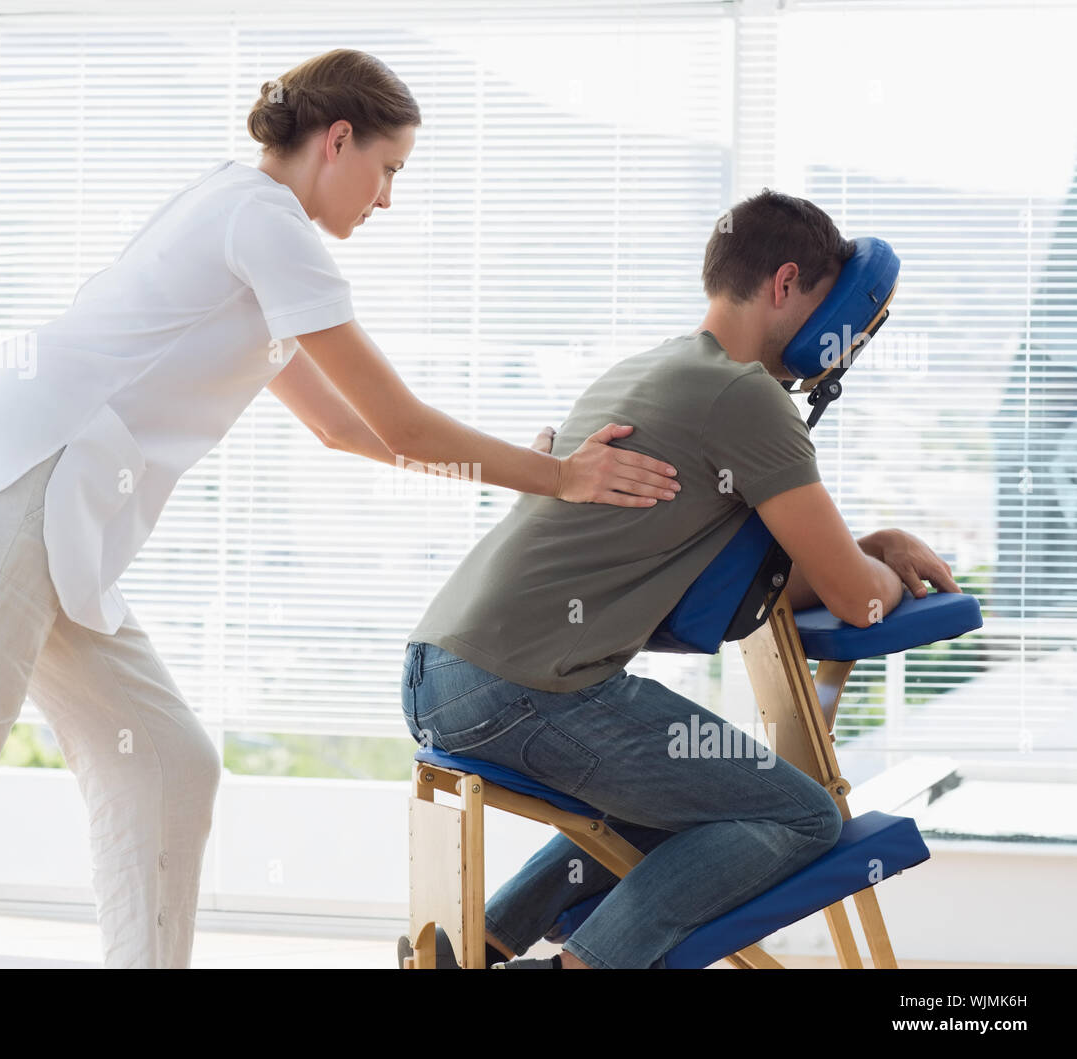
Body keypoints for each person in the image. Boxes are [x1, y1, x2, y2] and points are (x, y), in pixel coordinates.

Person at [0, 48, 682, 970]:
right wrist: (560, 479)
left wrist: (520, 465)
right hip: (23, 489)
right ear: (337, 141)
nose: (384, 203)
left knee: (167, 761)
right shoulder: (264, 220)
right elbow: (400, 420)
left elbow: (346, 427)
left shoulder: (244, 220)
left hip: (62, 523)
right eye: (387, 172)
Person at [398, 188, 963, 969]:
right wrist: (891, 557)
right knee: (803, 817)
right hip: (524, 686)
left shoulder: (655, 366)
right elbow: (855, 597)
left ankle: (472, 949)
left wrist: (864, 545)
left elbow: (746, 577)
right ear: (786, 283)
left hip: (443, 669)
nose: (836, 343)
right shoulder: (748, 396)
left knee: (705, 794)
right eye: (830, 310)